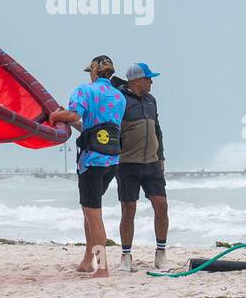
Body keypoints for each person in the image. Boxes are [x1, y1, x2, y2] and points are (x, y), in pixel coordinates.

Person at [49, 55, 126, 277]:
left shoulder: (85, 90)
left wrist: (56, 115)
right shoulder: (119, 97)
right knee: (88, 211)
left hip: (92, 162)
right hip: (112, 161)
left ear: (93, 72)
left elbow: (74, 113)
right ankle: (87, 261)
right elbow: (96, 129)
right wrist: (72, 121)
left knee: (93, 215)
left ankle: (102, 267)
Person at [116, 62, 169, 271]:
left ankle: (161, 253)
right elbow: (113, 129)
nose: (151, 82)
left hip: (152, 163)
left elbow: (157, 129)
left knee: (161, 205)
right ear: (137, 80)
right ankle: (126, 256)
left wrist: (161, 156)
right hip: (128, 163)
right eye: (148, 78)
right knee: (128, 209)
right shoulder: (120, 100)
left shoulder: (151, 101)